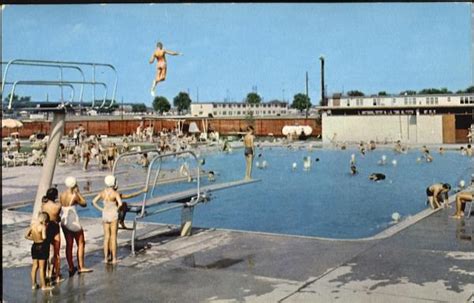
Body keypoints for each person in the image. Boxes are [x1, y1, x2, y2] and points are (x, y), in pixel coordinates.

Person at [60, 177, 93, 276]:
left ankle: (70, 266)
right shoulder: (74, 195)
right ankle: (81, 266)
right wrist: (78, 193)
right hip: (73, 220)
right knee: (81, 242)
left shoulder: (62, 194)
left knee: (69, 244)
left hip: (64, 219)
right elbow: (84, 203)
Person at [92, 175, 123, 264]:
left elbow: (94, 201)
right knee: (113, 237)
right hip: (113, 214)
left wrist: (101, 209)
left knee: (106, 237)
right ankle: (114, 258)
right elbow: (120, 204)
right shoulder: (115, 193)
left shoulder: (102, 192)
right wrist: (117, 210)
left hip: (105, 214)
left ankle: (105, 258)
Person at [25, 212, 54, 291]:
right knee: (41, 268)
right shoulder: (42, 227)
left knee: (34, 266)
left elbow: (26, 236)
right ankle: (44, 286)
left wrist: (34, 238)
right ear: (44, 220)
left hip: (34, 246)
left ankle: (34, 284)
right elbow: (44, 237)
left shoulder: (32, 226)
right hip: (42, 247)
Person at [41, 188, 63, 283]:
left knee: (46, 253)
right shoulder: (57, 206)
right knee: (56, 253)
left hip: (46, 228)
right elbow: (58, 218)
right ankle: (57, 275)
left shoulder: (43, 205)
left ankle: (46, 274)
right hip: (54, 227)